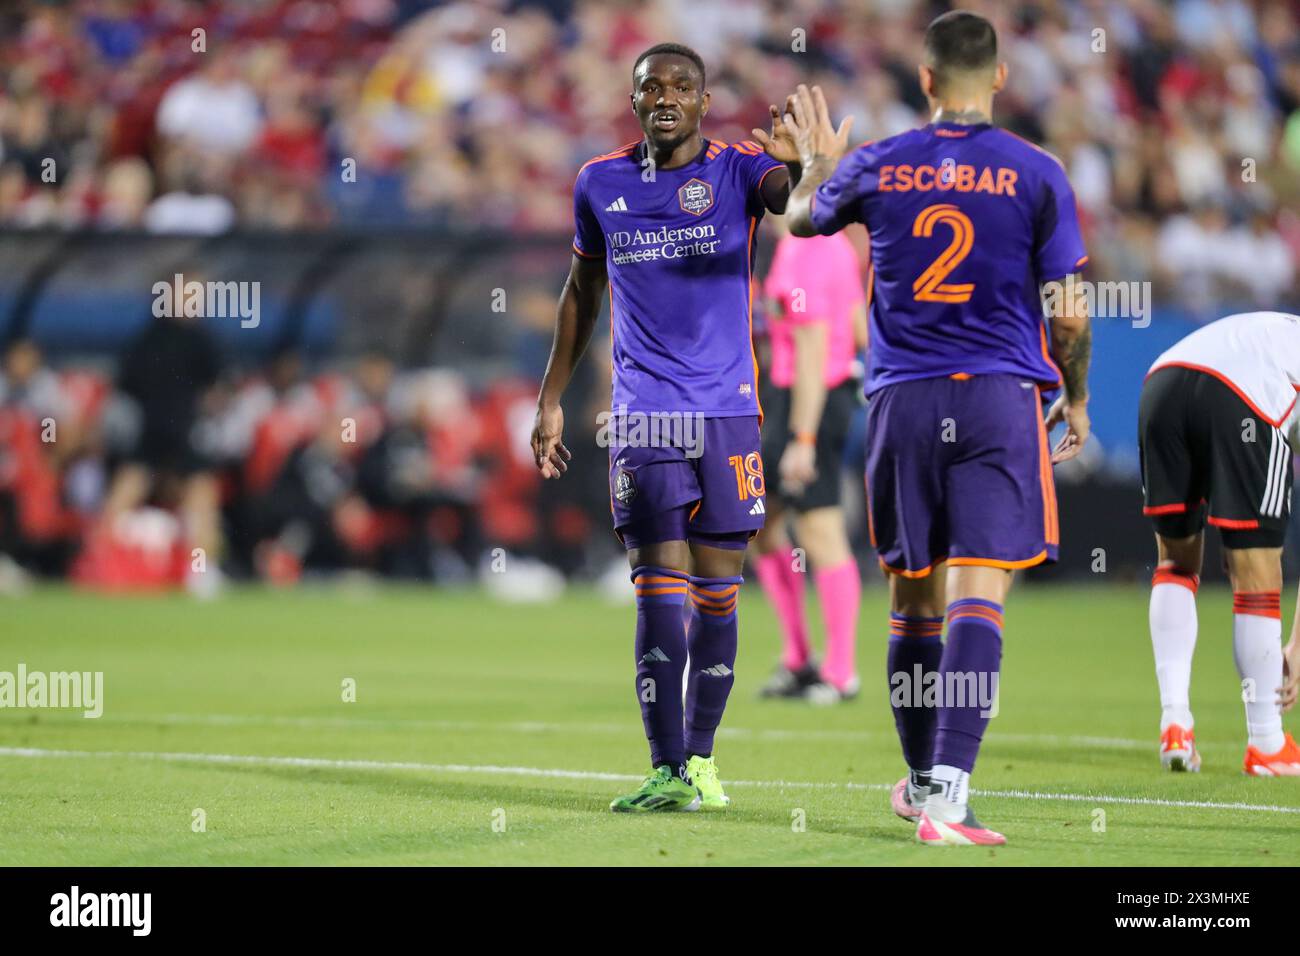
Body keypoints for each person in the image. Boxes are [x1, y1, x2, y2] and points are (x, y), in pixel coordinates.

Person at [781, 10, 1092, 845]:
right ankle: (949, 797)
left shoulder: (879, 163)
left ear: (923, 79)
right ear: (997, 77)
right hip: (996, 398)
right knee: (979, 591)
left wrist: (816, 167)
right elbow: (1068, 315)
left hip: (900, 402)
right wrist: (1079, 393)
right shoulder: (1038, 172)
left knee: (913, 599)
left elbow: (800, 221)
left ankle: (923, 783)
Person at [531, 42, 801, 812]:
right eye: (652, 86)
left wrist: (803, 166)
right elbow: (581, 291)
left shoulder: (739, 170)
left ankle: (705, 759)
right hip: (644, 417)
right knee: (657, 591)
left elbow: (790, 200)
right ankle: (668, 765)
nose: (666, 97)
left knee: (718, 595)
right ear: (634, 98)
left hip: (726, 415)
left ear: (704, 102)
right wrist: (551, 396)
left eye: (682, 85)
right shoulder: (600, 182)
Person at [1138, 310, 1300, 776]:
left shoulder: (1277, 327)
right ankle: (1267, 742)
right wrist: (1295, 646)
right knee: (1256, 566)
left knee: (1175, 560)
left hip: (1161, 383)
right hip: (1242, 393)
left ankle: (1175, 722)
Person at [753, 215, 868, 703]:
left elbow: (812, 344)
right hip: (815, 393)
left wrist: (802, 435)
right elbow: (859, 330)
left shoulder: (801, 250)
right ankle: (800, 658)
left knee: (820, 529)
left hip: (807, 398)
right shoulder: (836, 244)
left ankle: (840, 673)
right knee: (761, 522)